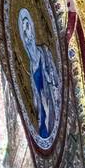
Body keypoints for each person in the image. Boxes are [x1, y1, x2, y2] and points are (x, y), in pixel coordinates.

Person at [18, 8, 61, 145]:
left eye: (28, 27)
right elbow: (35, 104)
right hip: (43, 120)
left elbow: (56, 82)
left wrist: (49, 87)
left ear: (32, 28)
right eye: (23, 31)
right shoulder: (30, 66)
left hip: (53, 111)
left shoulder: (44, 52)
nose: (27, 34)